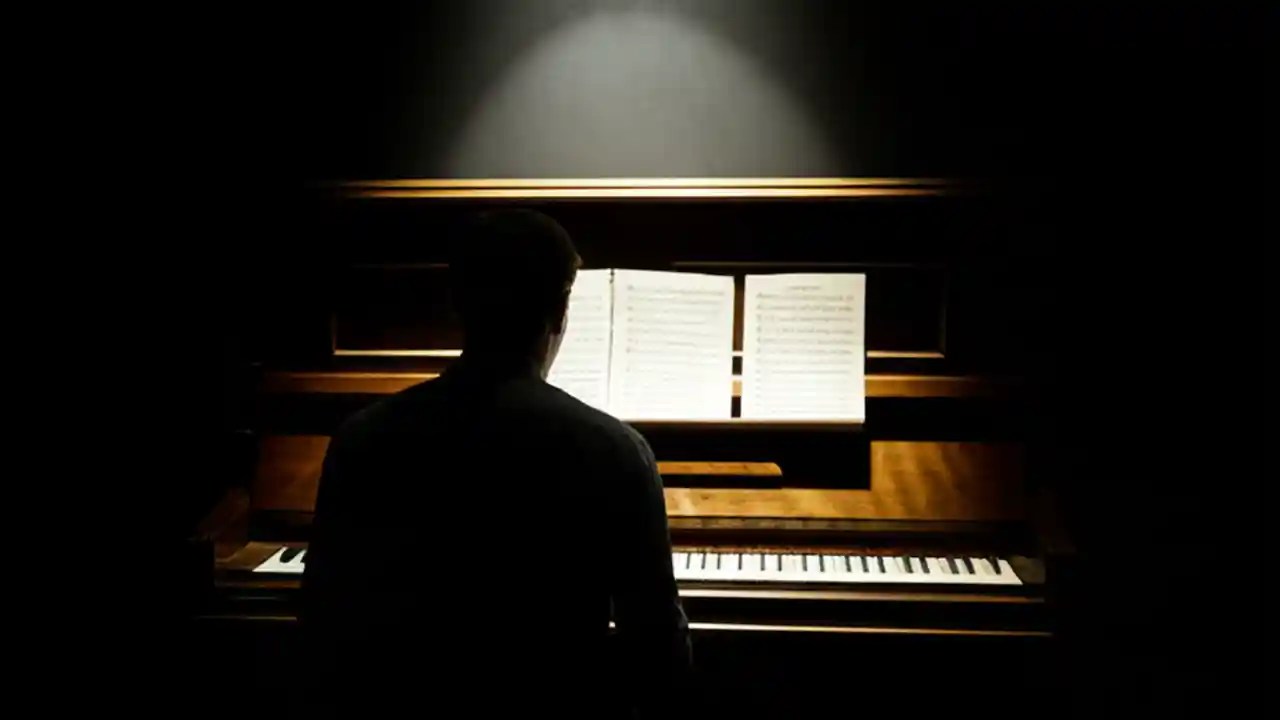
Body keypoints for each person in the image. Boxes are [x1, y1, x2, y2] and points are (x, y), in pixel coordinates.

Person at [302, 209, 691, 717]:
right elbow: (657, 645)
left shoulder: (363, 437)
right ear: (560, 313)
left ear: (456, 304)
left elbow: (320, 619)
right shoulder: (614, 449)